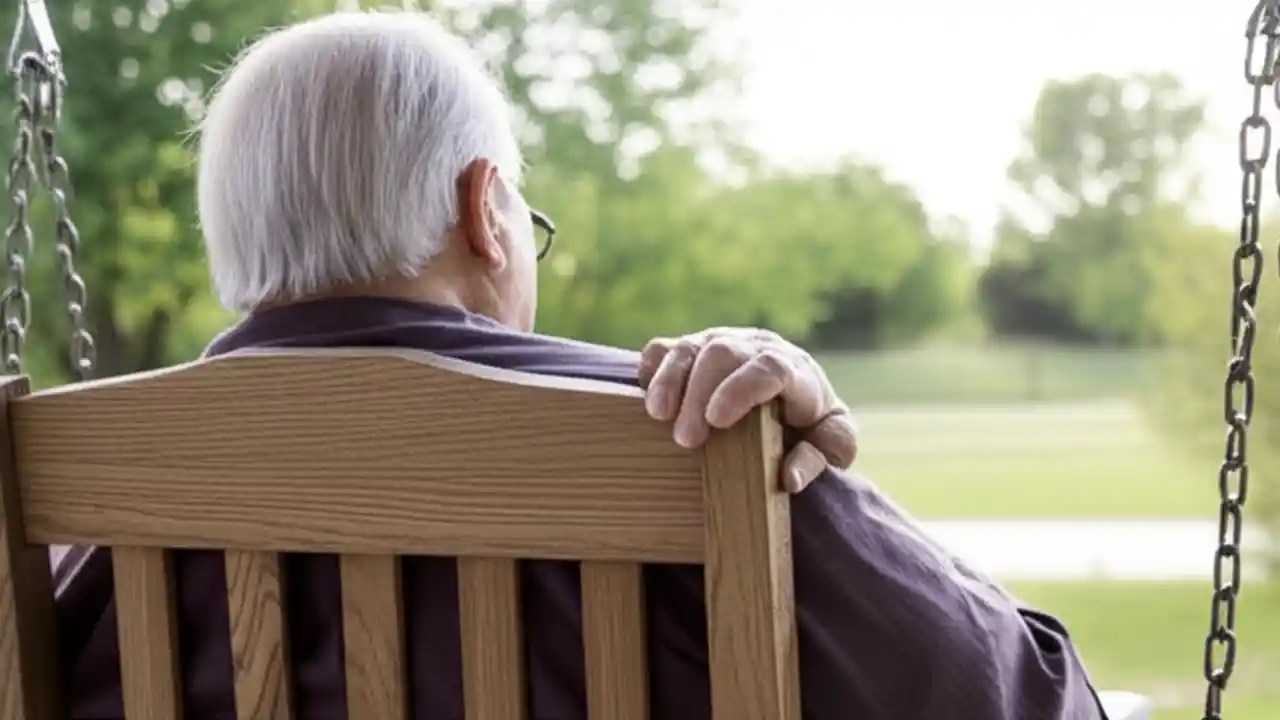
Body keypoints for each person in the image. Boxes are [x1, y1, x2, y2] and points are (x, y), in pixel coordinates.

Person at [55, 10, 1105, 719]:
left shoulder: (84, 504)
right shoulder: (693, 428)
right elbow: (1032, 700)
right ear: (484, 212)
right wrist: (805, 465)